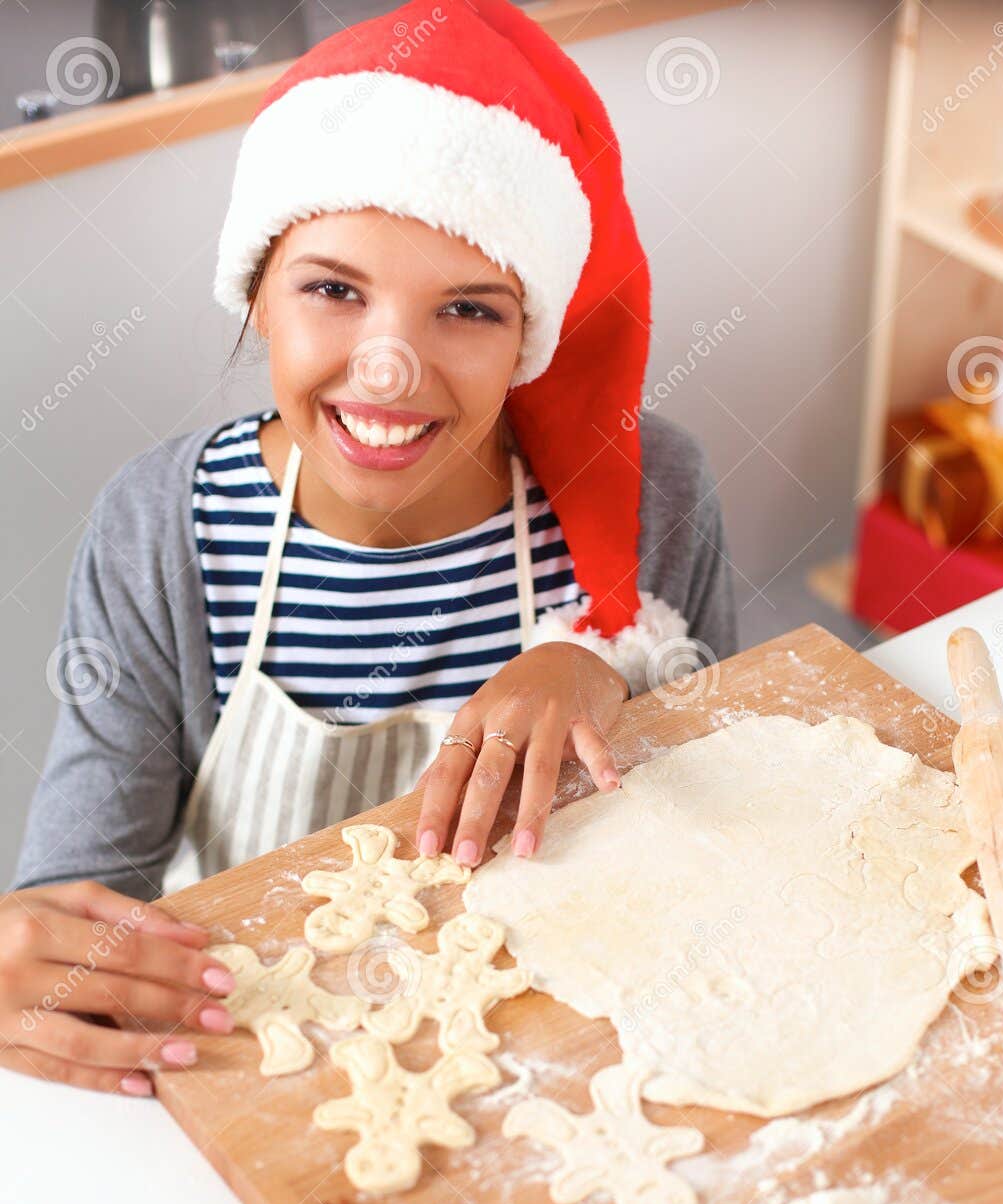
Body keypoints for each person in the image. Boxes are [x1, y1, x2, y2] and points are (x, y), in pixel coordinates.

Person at [5, 0, 737, 1098]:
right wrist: (35, 955)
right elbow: (81, 894)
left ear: (528, 335)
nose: (389, 370)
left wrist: (611, 672)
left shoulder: (653, 495)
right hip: (266, 1069)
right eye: (334, 290)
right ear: (255, 291)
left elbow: (729, 793)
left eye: (468, 311)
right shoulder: (162, 529)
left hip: (563, 1060)